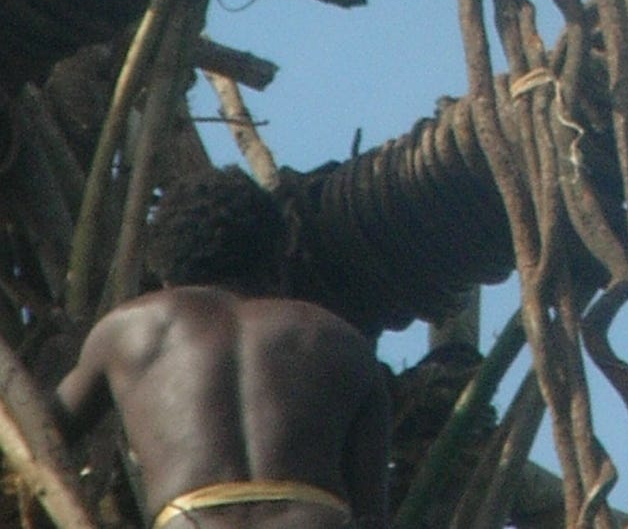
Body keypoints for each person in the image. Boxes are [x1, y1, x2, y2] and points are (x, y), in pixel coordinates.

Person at [53, 170, 390, 529]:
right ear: (276, 258)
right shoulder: (338, 339)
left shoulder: (129, 330)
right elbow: (373, 518)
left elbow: (40, 436)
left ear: (167, 266)